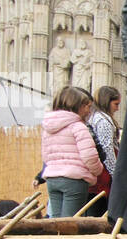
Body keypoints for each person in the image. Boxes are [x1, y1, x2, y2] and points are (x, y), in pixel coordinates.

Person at [41, 86, 102, 217]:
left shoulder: (48, 127)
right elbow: (89, 156)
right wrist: (97, 170)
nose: (88, 111)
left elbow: (45, 156)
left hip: (52, 178)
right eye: (86, 106)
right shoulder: (78, 127)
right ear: (76, 106)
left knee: (56, 222)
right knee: (70, 222)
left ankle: (56, 238)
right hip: (74, 179)